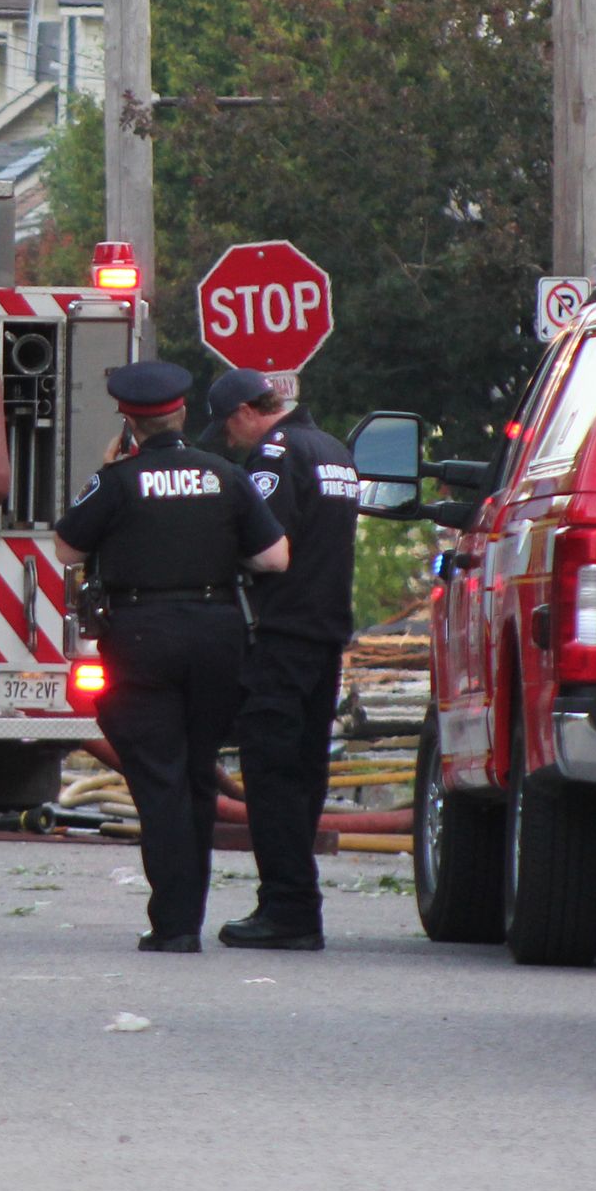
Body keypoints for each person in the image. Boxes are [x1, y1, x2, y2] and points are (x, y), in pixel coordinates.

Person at [54, 361, 290, 952]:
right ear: (181, 412)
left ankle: (176, 925)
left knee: (159, 780)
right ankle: (191, 914)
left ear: (129, 420)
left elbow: (65, 548)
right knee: (197, 777)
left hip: (141, 637)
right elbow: (275, 559)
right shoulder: (225, 475)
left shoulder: (118, 481)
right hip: (218, 636)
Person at [211, 368, 365, 952]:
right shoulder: (332, 449)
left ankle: (289, 908)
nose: (230, 442)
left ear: (246, 413)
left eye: (228, 430)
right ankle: (293, 901)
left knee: (272, 776)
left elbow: (266, 546)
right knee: (304, 773)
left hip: (278, 633)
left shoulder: (276, 456)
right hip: (324, 634)